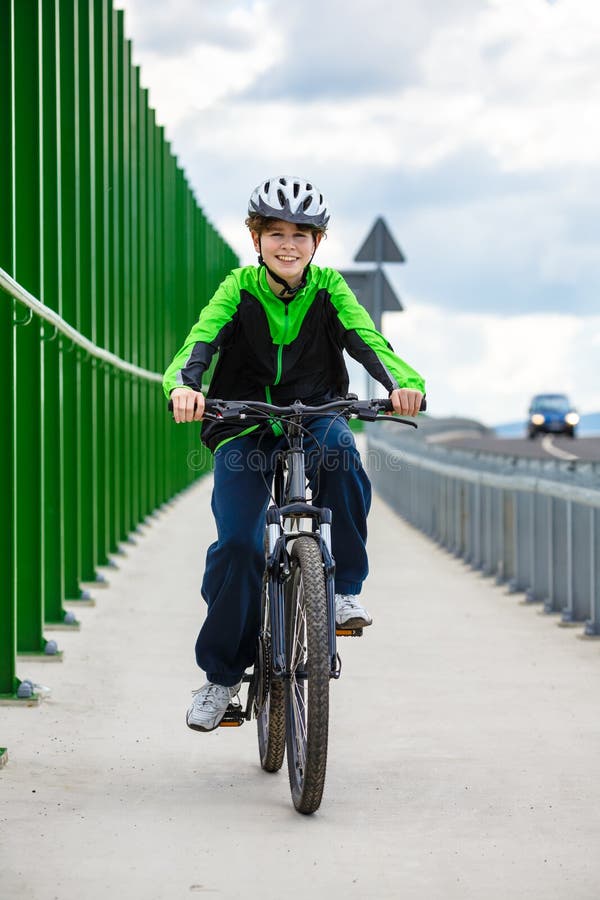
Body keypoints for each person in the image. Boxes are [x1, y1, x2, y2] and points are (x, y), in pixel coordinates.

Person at [163, 175, 425, 732]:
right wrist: (184, 387)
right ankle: (222, 678)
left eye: (301, 235)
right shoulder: (237, 288)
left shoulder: (329, 288)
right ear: (255, 238)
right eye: (276, 233)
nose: (288, 245)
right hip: (243, 420)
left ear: (318, 243)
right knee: (237, 544)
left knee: (344, 458)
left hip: (315, 413)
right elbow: (198, 344)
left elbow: (367, 340)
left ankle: (345, 591)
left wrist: (403, 382)